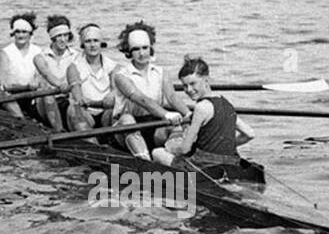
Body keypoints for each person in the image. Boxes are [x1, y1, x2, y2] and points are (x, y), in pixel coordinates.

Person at [151, 56, 254, 168]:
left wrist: (170, 147)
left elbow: (185, 149)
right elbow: (249, 134)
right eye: (185, 86)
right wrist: (223, 148)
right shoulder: (227, 104)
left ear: (206, 80)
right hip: (231, 162)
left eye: (193, 83)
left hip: (203, 166)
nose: (189, 90)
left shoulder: (201, 107)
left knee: (157, 153)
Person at [111, 21, 190, 158]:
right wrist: (166, 114)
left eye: (145, 48)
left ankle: (176, 158)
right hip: (125, 128)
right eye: (136, 49)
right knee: (127, 119)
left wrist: (188, 114)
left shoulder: (160, 72)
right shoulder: (121, 75)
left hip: (154, 122)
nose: (141, 53)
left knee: (177, 127)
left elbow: (172, 97)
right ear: (129, 51)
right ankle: (145, 162)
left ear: (150, 48)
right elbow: (141, 99)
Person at [66, 24, 116, 131]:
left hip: (105, 112)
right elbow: (77, 93)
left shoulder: (112, 66)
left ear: (101, 43)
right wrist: (83, 100)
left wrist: (112, 95)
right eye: (88, 41)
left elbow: (115, 90)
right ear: (83, 44)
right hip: (85, 112)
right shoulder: (73, 67)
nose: (92, 45)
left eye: (96, 41)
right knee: (73, 110)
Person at [33, 14, 79, 130]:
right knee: (48, 94)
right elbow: (47, 75)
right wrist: (61, 85)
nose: (63, 40)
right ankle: (59, 131)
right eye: (59, 36)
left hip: (67, 101)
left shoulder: (77, 56)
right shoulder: (40, 58)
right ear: (52, 37)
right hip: (45, 102)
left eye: (65, 35)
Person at [0, 12, 43, 118]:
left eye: (24, 32)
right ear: (13, 33)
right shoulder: (5, 53)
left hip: (31, 94)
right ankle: (22, 121)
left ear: (30, 34)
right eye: (18, 32)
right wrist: (27, 86)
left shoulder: (38, 51)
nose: (21, 35)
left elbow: (40, 78)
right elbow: (4, 85)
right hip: (11, 94)